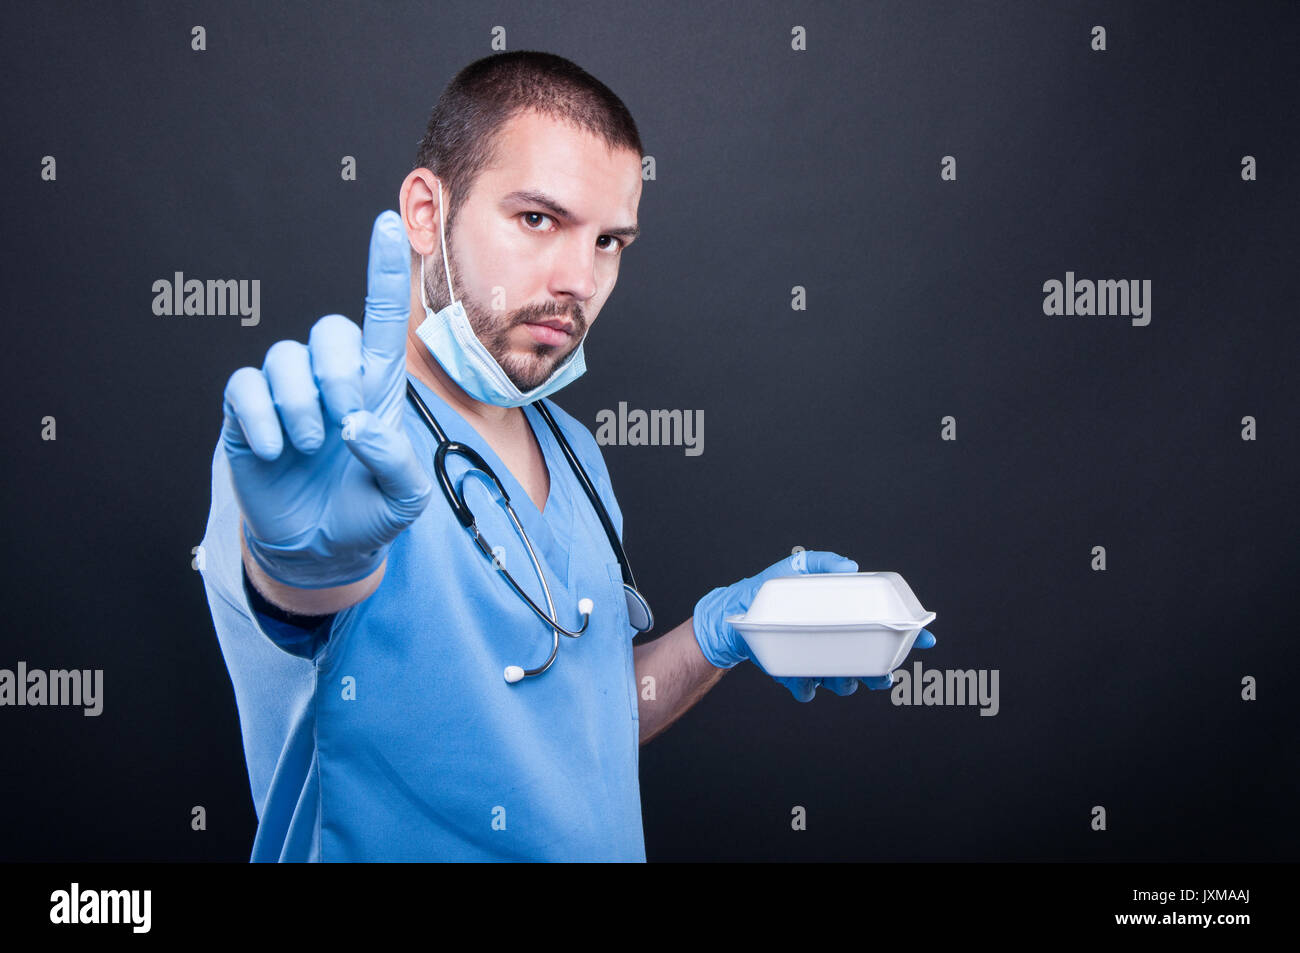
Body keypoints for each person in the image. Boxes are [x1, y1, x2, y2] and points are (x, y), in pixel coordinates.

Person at [199, 50, 936, 862]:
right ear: (424, 212)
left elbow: (585, 718)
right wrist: (296, 571)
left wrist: (718, 634)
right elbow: (297, 592)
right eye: (538, 220)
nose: (580, 279)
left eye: (611, 240)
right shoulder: (317, 445)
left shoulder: (574, 450)